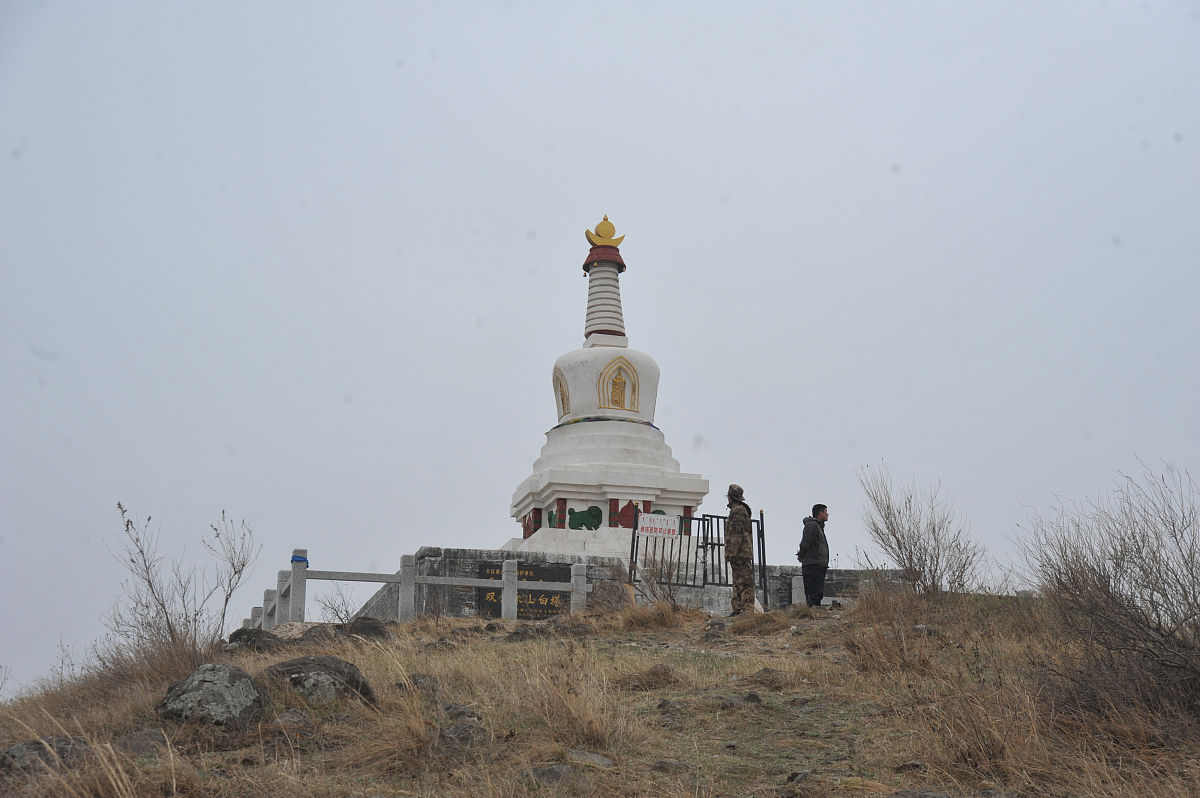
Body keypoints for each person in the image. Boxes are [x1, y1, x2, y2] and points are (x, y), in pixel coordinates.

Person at [725, 483, 755, 615]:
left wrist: (731, 553)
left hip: (740, 553)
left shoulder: (737, 511)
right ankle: (738, 609)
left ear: (729, 497)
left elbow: (736, 534)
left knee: (744, 582)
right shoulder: (740, 509)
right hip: (741, 552)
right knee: (739, 581)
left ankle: (746, 610)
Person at [797, 504, 830, 607]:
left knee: (817, 593)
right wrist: (801, 556)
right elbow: (805, 543)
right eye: (825, 511)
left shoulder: (818, 527)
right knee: (812, 593)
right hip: (813, 565)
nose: (827, 514)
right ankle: (812, 612)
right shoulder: (812, 525)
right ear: (820, 513)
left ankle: (814, 611)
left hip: (818, 565)